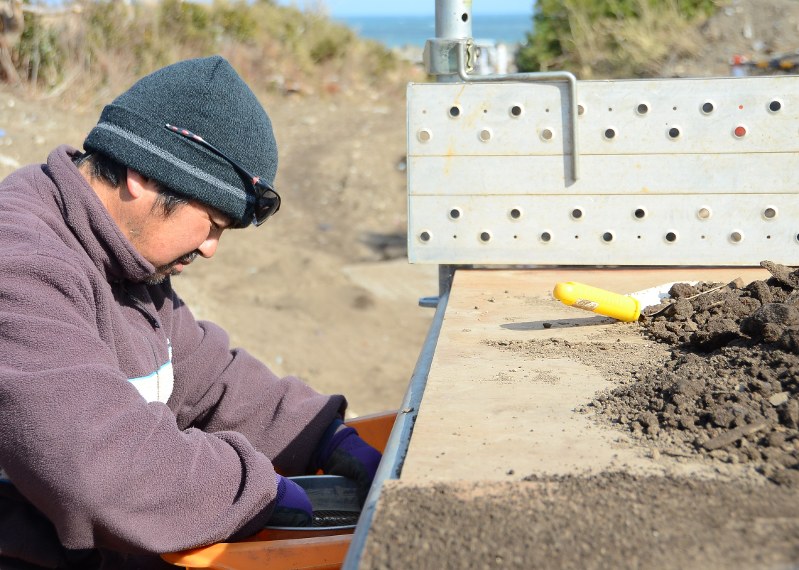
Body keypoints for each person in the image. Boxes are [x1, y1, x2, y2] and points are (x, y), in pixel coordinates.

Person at [0, 55, 382, 569]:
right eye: (213, 222)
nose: (210, 248)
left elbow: (205, 379)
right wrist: (255, 490)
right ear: (141, 173)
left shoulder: (125, 258)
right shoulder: (20, 263)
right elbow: (99, 468)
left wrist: (317, 436)